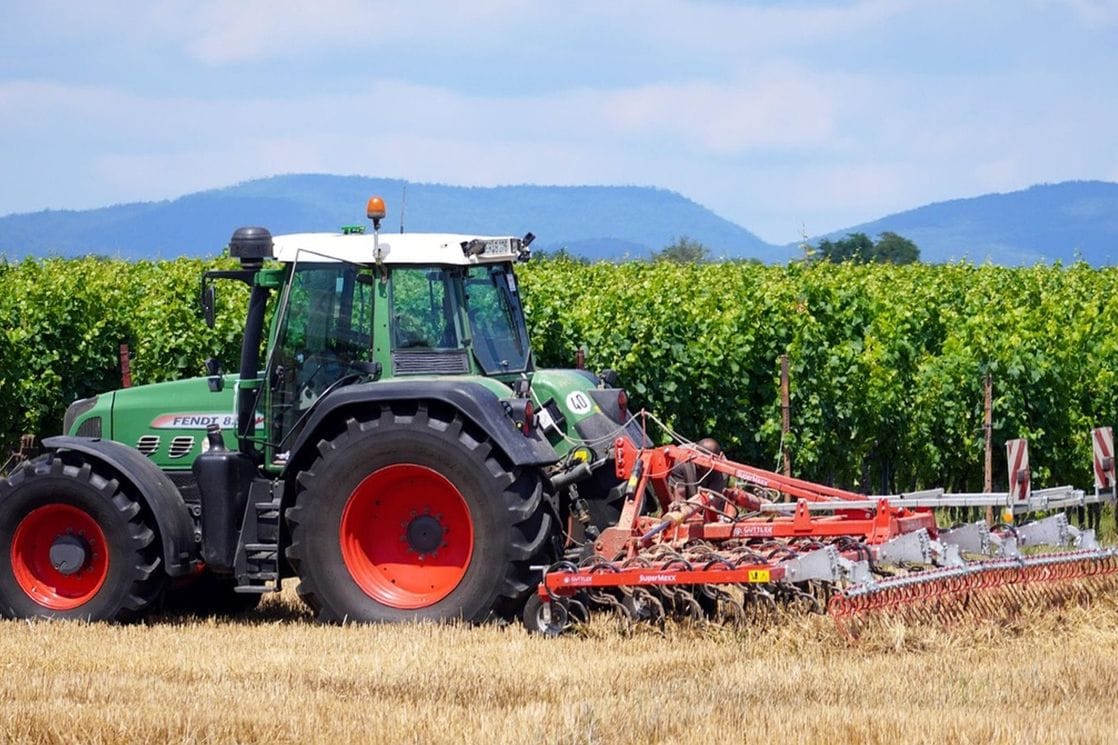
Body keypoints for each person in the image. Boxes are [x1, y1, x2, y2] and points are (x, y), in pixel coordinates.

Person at [668, 437, 728, 506]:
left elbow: (713, 503)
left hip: (707, 505)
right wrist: (680, 507)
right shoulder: (681, 459)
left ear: (719, 457)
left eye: (709, 466)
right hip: (688, 503)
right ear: (695, 452)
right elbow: (680, 496)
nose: (705, 468)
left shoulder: (723, 469)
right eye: (701, 465)